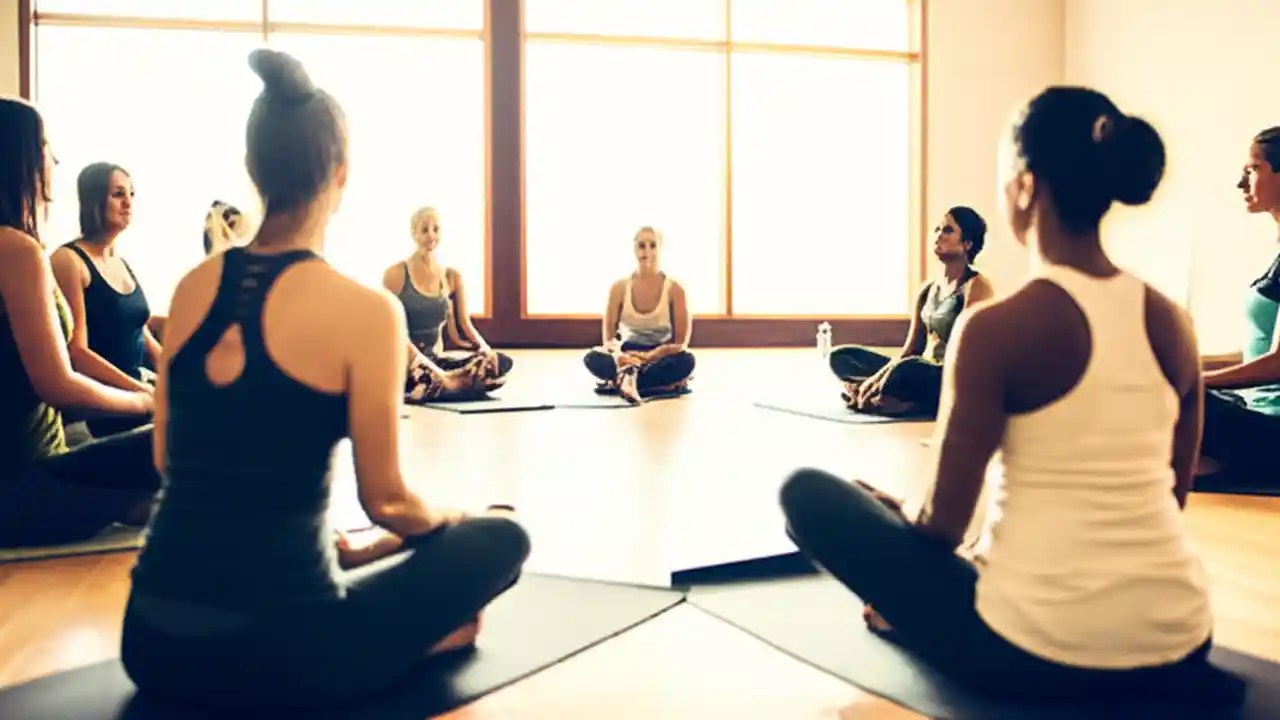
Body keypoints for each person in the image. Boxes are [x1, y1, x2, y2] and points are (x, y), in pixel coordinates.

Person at [779, 87, 1243, 708]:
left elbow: (942, 527)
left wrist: (897, 523)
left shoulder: (996, 326)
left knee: (805, 495)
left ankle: (917, 622)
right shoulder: (1173, 323)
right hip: (1185, 640)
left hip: (1040, 655)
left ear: (1023, 187)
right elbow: (1173, 494)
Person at [120, 50, 529, 710]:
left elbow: (167, 458)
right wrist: (454, 521)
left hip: (150, 644)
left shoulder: (192, 289)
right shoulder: (368, 311)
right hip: (285, 652)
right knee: (504, 536)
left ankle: (359, 573)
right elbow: (388, 501)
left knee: (318, 544)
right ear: (340, 174)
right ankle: (415, 637)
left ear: (254, 171)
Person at [0, 97, 159, 549]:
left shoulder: (20, 248)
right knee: (192, 436)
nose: (53, 159)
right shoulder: (17, 250)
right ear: (19, 157)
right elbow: (59, 383)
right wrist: (146, 404)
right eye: (46, 147)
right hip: (24, 481)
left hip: (38, 473)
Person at [831, 207, 994, 418]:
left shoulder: (977, 287)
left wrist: (884, 379)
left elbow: (969, 356)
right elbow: (911, 348)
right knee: (841, 357)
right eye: (937, 229)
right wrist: (875, 379)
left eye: (947, 230)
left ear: (967, 244)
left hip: (949, 377)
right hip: (916, 367)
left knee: (909, 370)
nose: (938, 235)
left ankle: (888, 397)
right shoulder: (927, 290)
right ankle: (883, 395)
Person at [49, 162, 162, 436]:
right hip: (103, 404)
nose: (128, 203)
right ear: (94, 200)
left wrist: (176, 373)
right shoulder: (69, 260)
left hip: (137, 386)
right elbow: (78, 352)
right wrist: (142, 392)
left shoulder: (120, 261)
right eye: (118, 194)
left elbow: (139, 329)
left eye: (131, 194)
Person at [1198, 126, 1280, 489]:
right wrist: (1189, 365)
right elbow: (1254, 352)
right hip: (1253, 410)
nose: (1241, 183)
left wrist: (1197, 382)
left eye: (1253, 170)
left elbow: (1278, 363)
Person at [383, 206, 512, 402]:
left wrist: (486, 349)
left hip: (435, 360)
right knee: (420, 363)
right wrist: (422, 363)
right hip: (404, 360)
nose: (431, 235)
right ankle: (444, 382)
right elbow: (388, 327)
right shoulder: (396, 274)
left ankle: (442, 383)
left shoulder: (451, 276)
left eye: (436, 229)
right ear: (414, 233)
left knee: (494, 362)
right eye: (424, 230)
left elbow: (465, 324)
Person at [583, 226, 695, 404]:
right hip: (628, 352)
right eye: (641, 245)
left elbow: (680, 344)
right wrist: (622, 356)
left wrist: (650, 357)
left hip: (660, 354)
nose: (647, 251)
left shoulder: (675, 289)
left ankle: (628, 379)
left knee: (687, 361)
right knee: (592, 357)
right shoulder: (619, 288)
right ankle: (652, 383)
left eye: (653, 245)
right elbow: (609, 339)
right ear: (634, 249)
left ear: (661, 249)